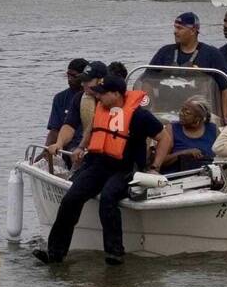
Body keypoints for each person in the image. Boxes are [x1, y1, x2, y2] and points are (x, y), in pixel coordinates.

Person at [35, 75, 166, 266]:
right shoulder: (102, 109)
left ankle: (114, 253)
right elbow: (92, 130)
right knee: (71, 199)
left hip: (125, 169)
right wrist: (80, 147)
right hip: (98, 165)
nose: (99, 97)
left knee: (108, 198)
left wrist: (155, 167)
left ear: (116, 94)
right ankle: (55, 253)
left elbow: (165, 138)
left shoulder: (139, 115)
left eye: (103, 94)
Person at [149, 12, 227, 120]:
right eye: (175, 28)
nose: (175, 32)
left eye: (180, 28)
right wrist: (153, 107)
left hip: (200, 113)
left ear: (193, 31)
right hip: (166, 112)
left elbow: (226, 88)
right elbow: (147, 80)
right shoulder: (165, 52)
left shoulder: (212, 54)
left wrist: (225, 118)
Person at [46, 60, 107, 165]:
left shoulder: (113, 100)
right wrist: (59, 143)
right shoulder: (79, 98)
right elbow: (69, 125)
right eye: (82, 80)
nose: (82, 84)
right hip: (83, 149)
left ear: (100, 81)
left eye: (87, 81)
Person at [150, 96, 218, 174]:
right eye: (181, 109)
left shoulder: (213, 129)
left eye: (187, 113)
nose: (181, 114)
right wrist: (184, 153)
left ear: (198, 119)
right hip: (177, 179)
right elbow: (160, 161)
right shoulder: (171, 129)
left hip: (207, 178)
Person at [45, 58, 89, 148]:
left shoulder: (96, 97)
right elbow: (55, 130)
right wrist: (46, 150)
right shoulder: (60, 98)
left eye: (74, 76)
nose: (69, 79)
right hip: (68, 146)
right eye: (68, 75)